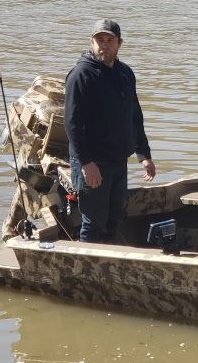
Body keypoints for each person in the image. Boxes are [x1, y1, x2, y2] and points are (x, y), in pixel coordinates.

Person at [65, 19, 157, 242]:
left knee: (115, 218)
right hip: (93, 163)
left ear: (119, 44)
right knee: (93, 222)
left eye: (109, 40)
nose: (104, 45)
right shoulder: (81, 75)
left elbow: (134, 116)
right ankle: (87, 268)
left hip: (118, 161)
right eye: (99, 40)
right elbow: (72, 124)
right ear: (92, 42)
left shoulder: (125, 73)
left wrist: (144, 154)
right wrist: (86, 163)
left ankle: (107, 267)